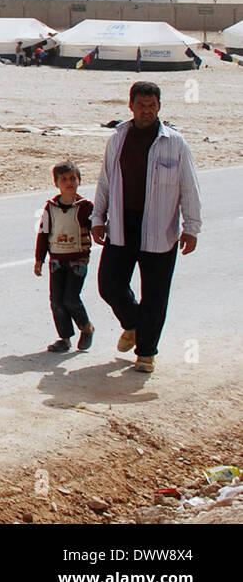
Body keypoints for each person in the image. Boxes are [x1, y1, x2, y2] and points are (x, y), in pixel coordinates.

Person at [92, 81, 202, 373]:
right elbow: (105, 181)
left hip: (161, 228)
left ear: (159, 107)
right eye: (141, 105)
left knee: (155, 294)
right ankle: (132, 323)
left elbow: (189, 187)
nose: (146, 111)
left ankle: (146, 353)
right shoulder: (117, 138)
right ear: (131, 106)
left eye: (152, 106)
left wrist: (191, 227)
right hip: (122, 224)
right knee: (109, 284)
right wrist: (97, 218)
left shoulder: (175, 142)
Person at [34, 161, 96, 353]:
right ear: (56, 183)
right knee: (57, 301)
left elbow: (98, 226)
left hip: (78, 260)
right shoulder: (50, 208)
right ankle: (65, 339)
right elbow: (43, 234)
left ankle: (86, 327)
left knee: (71, 298)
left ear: (79, 181)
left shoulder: (85, 207)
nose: (69, 183)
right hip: (56, 262)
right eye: (64, 179)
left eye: (72, 179)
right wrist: (39, 259)